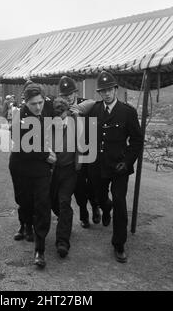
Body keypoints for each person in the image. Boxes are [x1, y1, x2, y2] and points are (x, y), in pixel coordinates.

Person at [84, 71, 143, 263]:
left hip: (119, 167)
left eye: (109, 89)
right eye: (103, 91)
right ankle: (105, 207)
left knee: (119, 200)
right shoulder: (94, 110)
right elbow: (88, 138)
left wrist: (126, 162)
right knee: (100, 198)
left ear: (116, 89)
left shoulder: (128, 112)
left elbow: (136, 141)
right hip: (98, 166)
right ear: (99, 93)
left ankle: (119, 244)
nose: (107, 93)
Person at [9, 81, 56, 268]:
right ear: (25, 103)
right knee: (24, 201)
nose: (38, 107)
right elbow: (21, 147)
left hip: (41, 170)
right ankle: (25, 225)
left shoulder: (47, 111)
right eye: (33, 104)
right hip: (21, 167)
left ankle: (40, 249)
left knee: (43, 206)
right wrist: (46, 154)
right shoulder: (17, 117)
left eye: (40, 102)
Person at [58, 76, 101, 228]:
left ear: (75, 93)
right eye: (64, 95)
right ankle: (84, 213)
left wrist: (79, 109)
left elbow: (95, 102)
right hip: (72, 155)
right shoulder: (60, 108)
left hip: (88, 150)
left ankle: (95, 206)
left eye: (70, 94)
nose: (68, 97)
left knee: (93, 185)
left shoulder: (84, 103)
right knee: (79, 187)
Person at [50, 97, 81, 258]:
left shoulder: (76, 124)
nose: (59, 119)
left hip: (69, 171)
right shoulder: (48, 126)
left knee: (64, 201)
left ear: (67, 112)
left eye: (62, 115)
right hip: (53, 171)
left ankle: (62, 241)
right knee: (54, 202)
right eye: (56, 115)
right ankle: (65, 219)